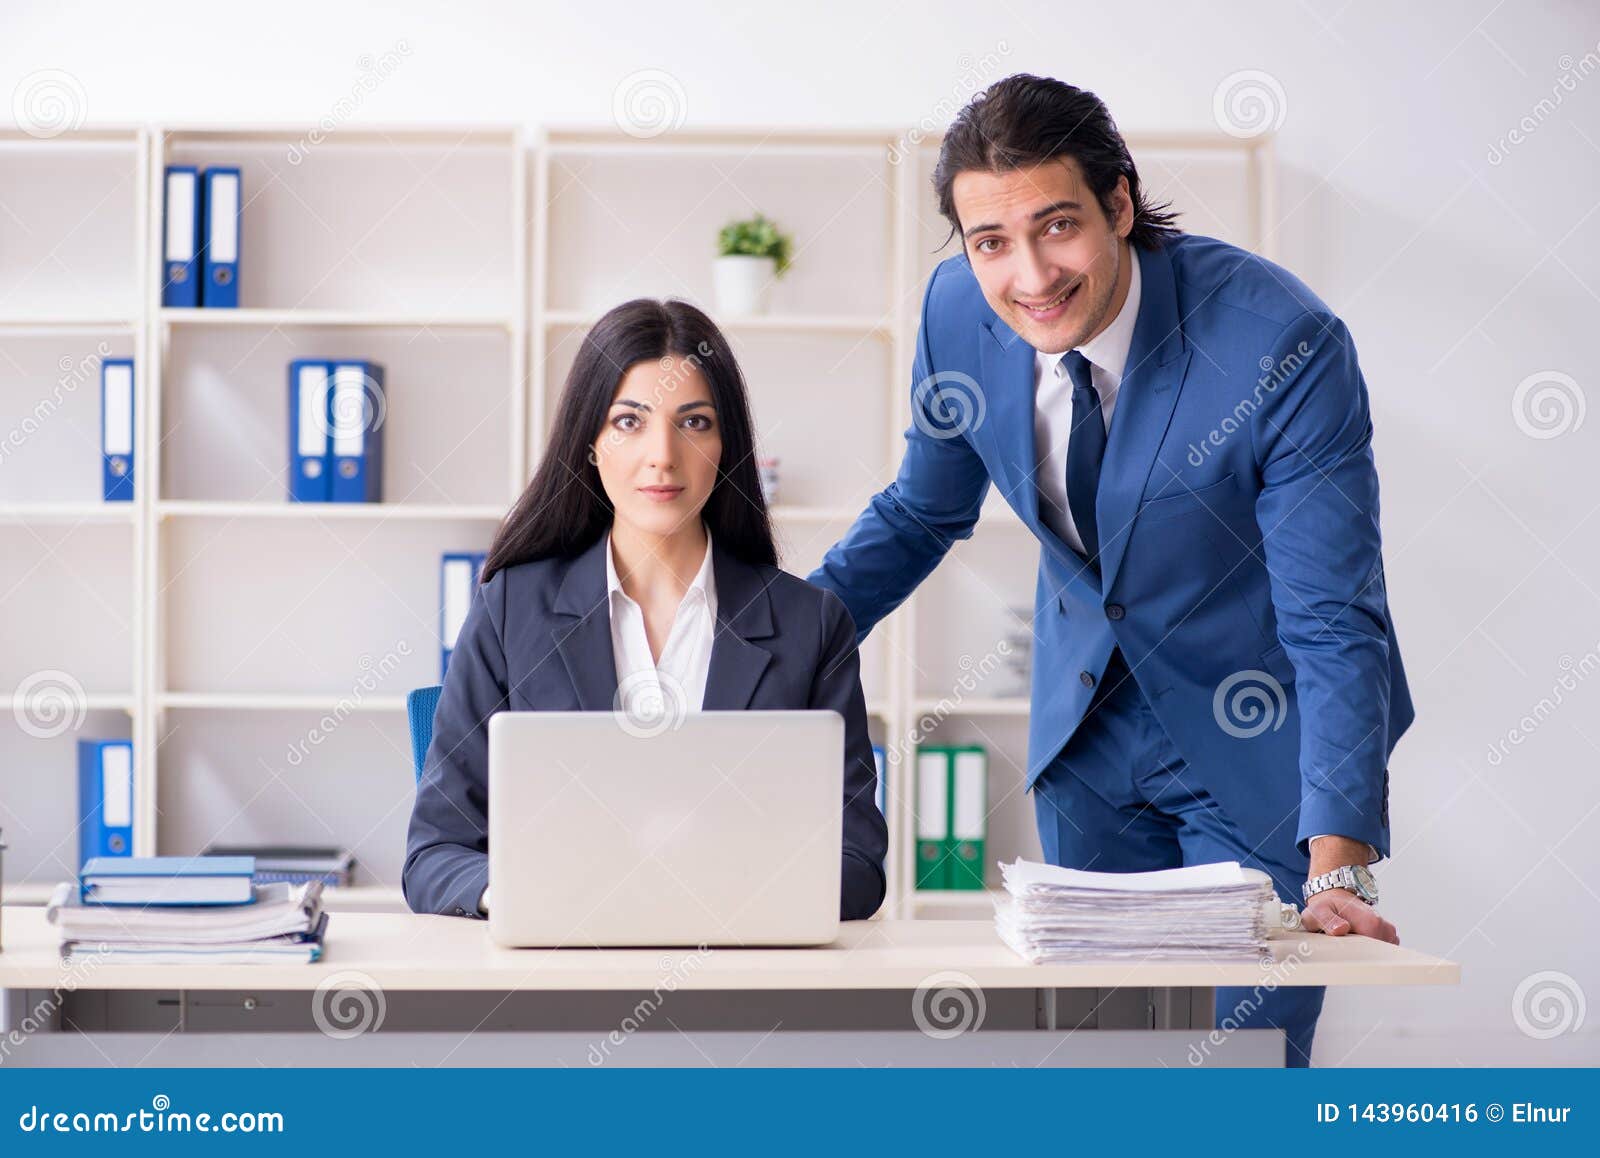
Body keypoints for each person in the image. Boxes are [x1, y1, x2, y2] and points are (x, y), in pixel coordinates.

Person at [808, 74, 1412, 1066]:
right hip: (1085, 744)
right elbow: (922, 510)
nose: (1030, 274)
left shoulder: (1277, 343)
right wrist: (772, 641)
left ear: (1119, 204)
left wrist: (1337, 860)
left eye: (1058, 226)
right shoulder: (961, 312)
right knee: (1102, 1065)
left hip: (1250, 736)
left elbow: (1330, 612)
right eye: (991, 242)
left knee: (1236, 1070)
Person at [404, 298, 888, 922]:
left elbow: (857, 865)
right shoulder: (509, 612)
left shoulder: (811, 625)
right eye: (630, 421)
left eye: (694, 422)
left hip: (739, 975)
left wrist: (712, 896)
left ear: (725, 445)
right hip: (561, 972)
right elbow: (436, 854)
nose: (663, 455)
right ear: (590, 442)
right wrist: (520, 896)